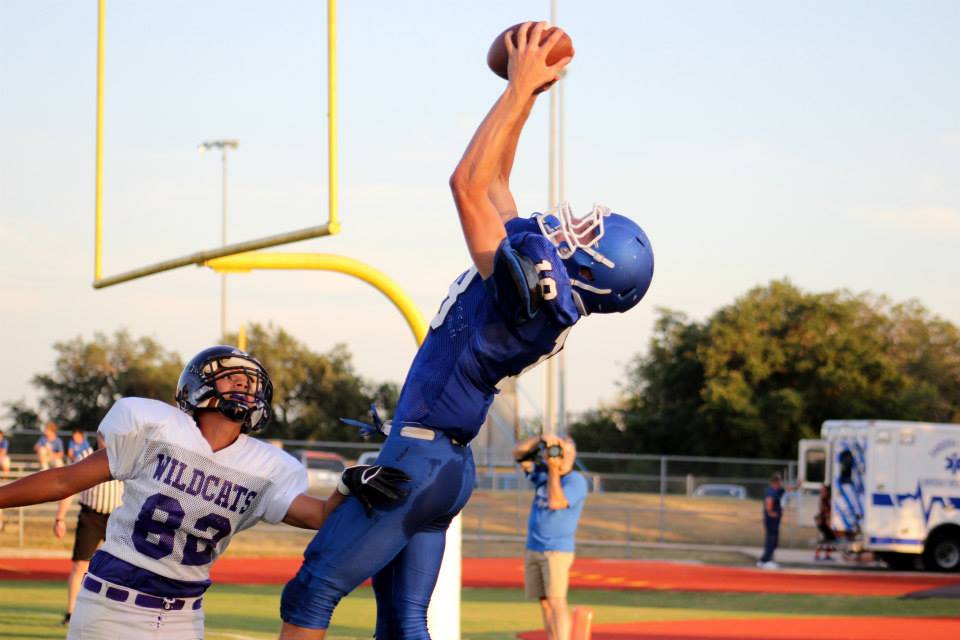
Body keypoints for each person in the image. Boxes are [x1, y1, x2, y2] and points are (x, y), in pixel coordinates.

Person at [278, 21, 654, 640]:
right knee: (402, 618)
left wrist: (518, 87)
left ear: (590, 272)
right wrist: (525, 97)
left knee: (313, 590)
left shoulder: (532, 287)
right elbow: (498, 184)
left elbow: (468, 184)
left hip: (421, 456)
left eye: (586, 236)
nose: (574, 225)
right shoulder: (543, 289)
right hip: (442, 461)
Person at [0, 345, 408, 639]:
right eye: (234, 377)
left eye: (251, 382)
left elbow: (319, 516)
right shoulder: (157, 428)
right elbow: (63, 480)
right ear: (200, 384)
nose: (246, 387)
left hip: (183, 617)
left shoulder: (265, 465)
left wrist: (346, 484)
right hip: (112, 608)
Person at [513, 435, 587, 640]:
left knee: (556, 601)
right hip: (534, 546)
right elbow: (518, 454)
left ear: (573, 455)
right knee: (545, 602)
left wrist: (554, 469)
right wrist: (541, 440)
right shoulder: (542, 473)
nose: (560, 457)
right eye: (559, 452)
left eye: (565, 453)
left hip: (556, 550)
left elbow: (556, 501)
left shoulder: (576, 481)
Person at [54, 433, 124, 626]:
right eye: (104, 436)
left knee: (121, 568)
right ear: (98, 437)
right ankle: (71, 613)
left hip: (117, 517)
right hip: (91, 516)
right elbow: (68, 486)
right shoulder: (85, 455)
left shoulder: (125, 455)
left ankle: (116, 616)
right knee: (80, 565)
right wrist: (59, 517)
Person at [758, 473, 786, 569]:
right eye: (779, 482)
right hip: (771, 520)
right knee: (772, 539)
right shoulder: (772, 491)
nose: (780, 484)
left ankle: (763, 560)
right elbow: (769, 501)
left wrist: (798, 485)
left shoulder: (777, 490)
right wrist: (770, 512)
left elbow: (787, 489)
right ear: (776, 482)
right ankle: (767, 560)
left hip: (773, 520)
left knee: (772, 539)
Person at [813, 484, 836, 561]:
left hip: (822, 522)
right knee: (828, 539)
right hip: (823, 522)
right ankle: (821, 554)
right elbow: (825, 511)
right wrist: (828, 520)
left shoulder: (825, 499)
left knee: (828, 539)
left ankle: (825, 555)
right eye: (823, 491)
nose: (823, 492)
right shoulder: (824, 500)